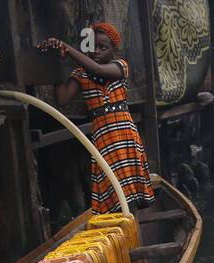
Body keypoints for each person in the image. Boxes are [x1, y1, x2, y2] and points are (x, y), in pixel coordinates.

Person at [40, 23, 154, 214]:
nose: (97, 51)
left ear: (113, 51)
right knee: (111, 189)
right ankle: (120, 231)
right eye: (93, 46)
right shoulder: (81, 74)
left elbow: (98, 71)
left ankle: (133, 229)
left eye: (103, 47)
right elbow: (62, 99)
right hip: (103, 139)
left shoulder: (120, 66)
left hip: (124, 136)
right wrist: (56, 61)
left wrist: (67, 48)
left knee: (129, 192)